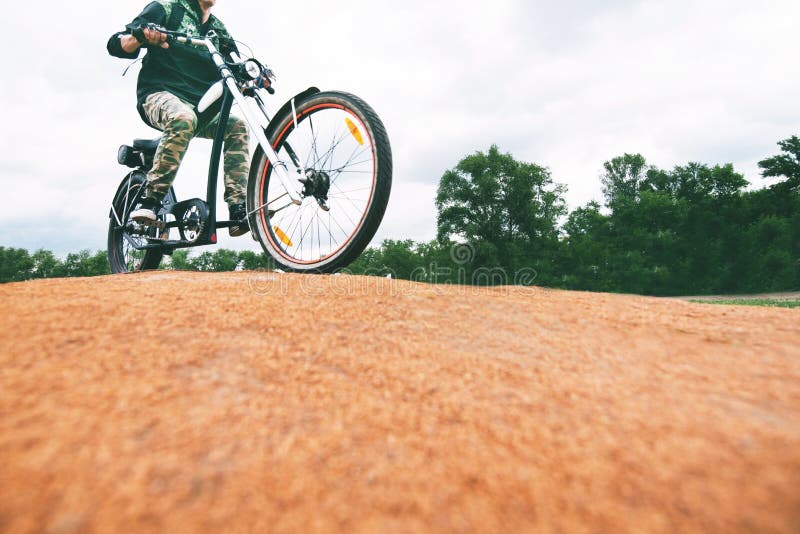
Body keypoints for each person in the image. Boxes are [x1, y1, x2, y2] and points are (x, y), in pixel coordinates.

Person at [107, 0, 256, 236]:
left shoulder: (218, 30)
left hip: (200, 107)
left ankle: (238, 209)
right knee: (183, 118)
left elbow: (234, 63)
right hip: (160, 94)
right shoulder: (166, 9)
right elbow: (116, 43)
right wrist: (141, 37)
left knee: (237, 126)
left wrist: (254, 77)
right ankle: (151, 201)